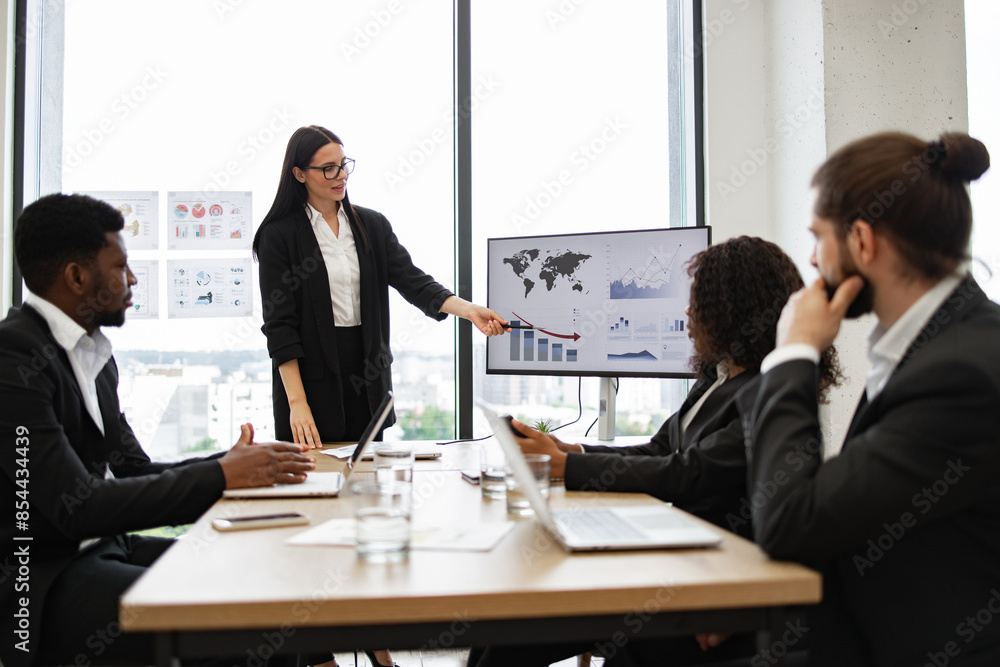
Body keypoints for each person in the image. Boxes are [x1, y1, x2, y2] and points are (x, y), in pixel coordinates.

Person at [467, 236, 841, 667]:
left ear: (731, 308)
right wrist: (573, 449)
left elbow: (690, 472)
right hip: (667, 557)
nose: (687, 311)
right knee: (499, 629)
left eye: (698, 300)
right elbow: (660, 448)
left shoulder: (767, 391)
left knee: (509, 637)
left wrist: (569, 466)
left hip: (706, 582)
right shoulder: (716, 377)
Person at [0, 194, 317, 667]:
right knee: (242, 624)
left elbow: (133, 470)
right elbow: (77, 506)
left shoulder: (94, 357)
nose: (131, 281)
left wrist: (234, 465)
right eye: (121, 267)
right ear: (76, 277)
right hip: (40, 583)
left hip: (108, 550)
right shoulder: (13, 357)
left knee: (268, 594)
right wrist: (224, 476)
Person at [737, 131, 1000, 665]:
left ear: (862, 240)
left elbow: (791, 520)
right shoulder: (928, 346)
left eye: (818, 238)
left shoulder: (961, 373)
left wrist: (794, 354)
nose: (811, 259)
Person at [253, 125, 507, 449]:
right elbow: (280, 327)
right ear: (299, 174)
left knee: (367, 482)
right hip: (308, 381)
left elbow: (413, 281)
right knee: (316, 484)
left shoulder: (371, 225)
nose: (341, 175)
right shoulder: (278, 236)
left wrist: (470, 311)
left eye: (344, 164)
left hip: (368, 378)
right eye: (328, 168)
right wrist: (297, 403)